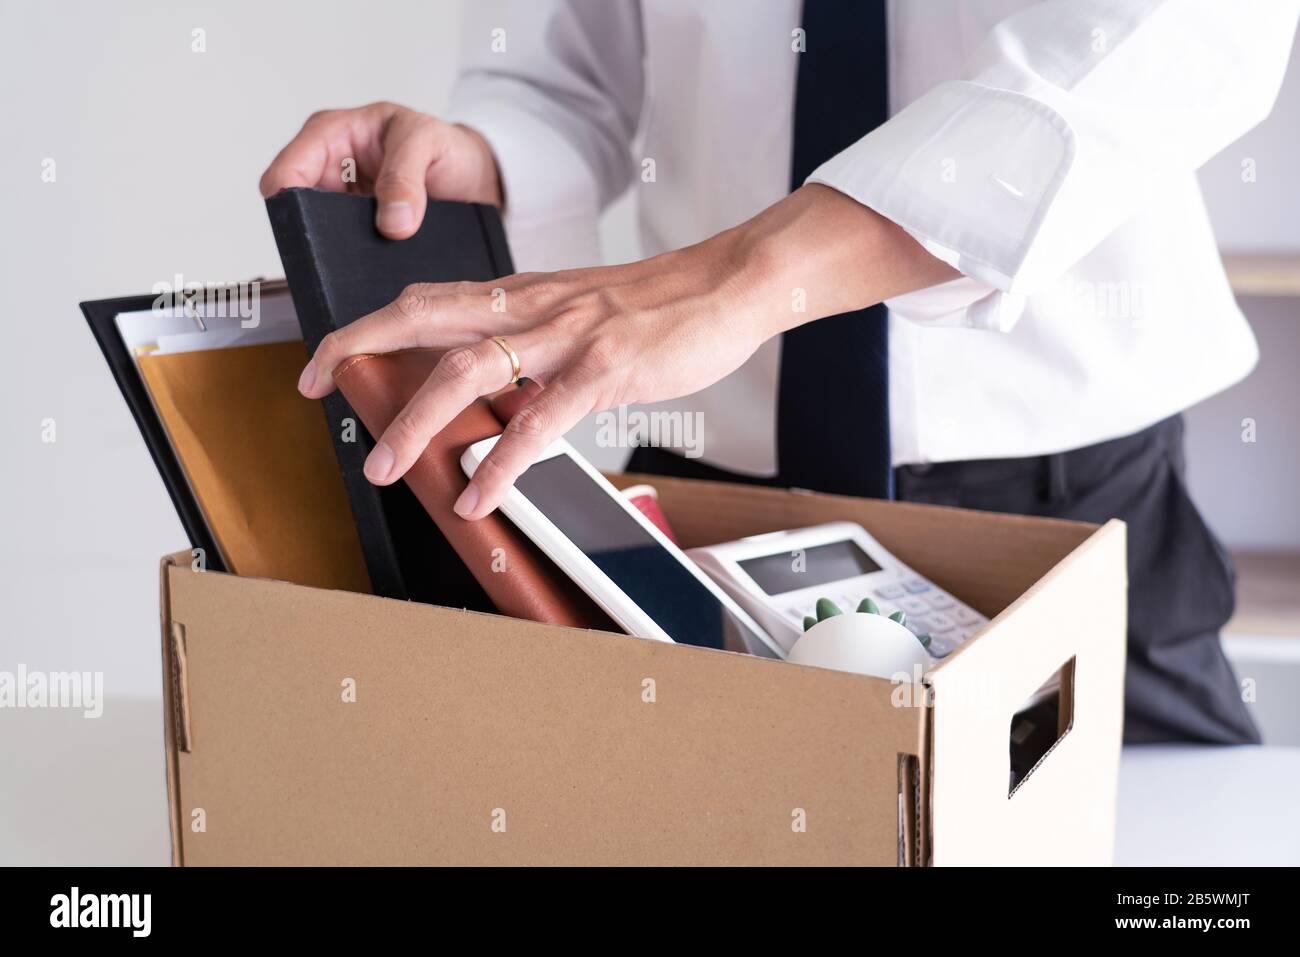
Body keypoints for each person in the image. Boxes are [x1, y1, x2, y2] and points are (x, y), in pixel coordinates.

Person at [260, 0, 1298, 744]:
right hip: (704, 492)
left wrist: (746, 278)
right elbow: (564, 75)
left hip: (1069, 498)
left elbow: (1184, 29)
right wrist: (490, 162)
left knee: (1172, 856)